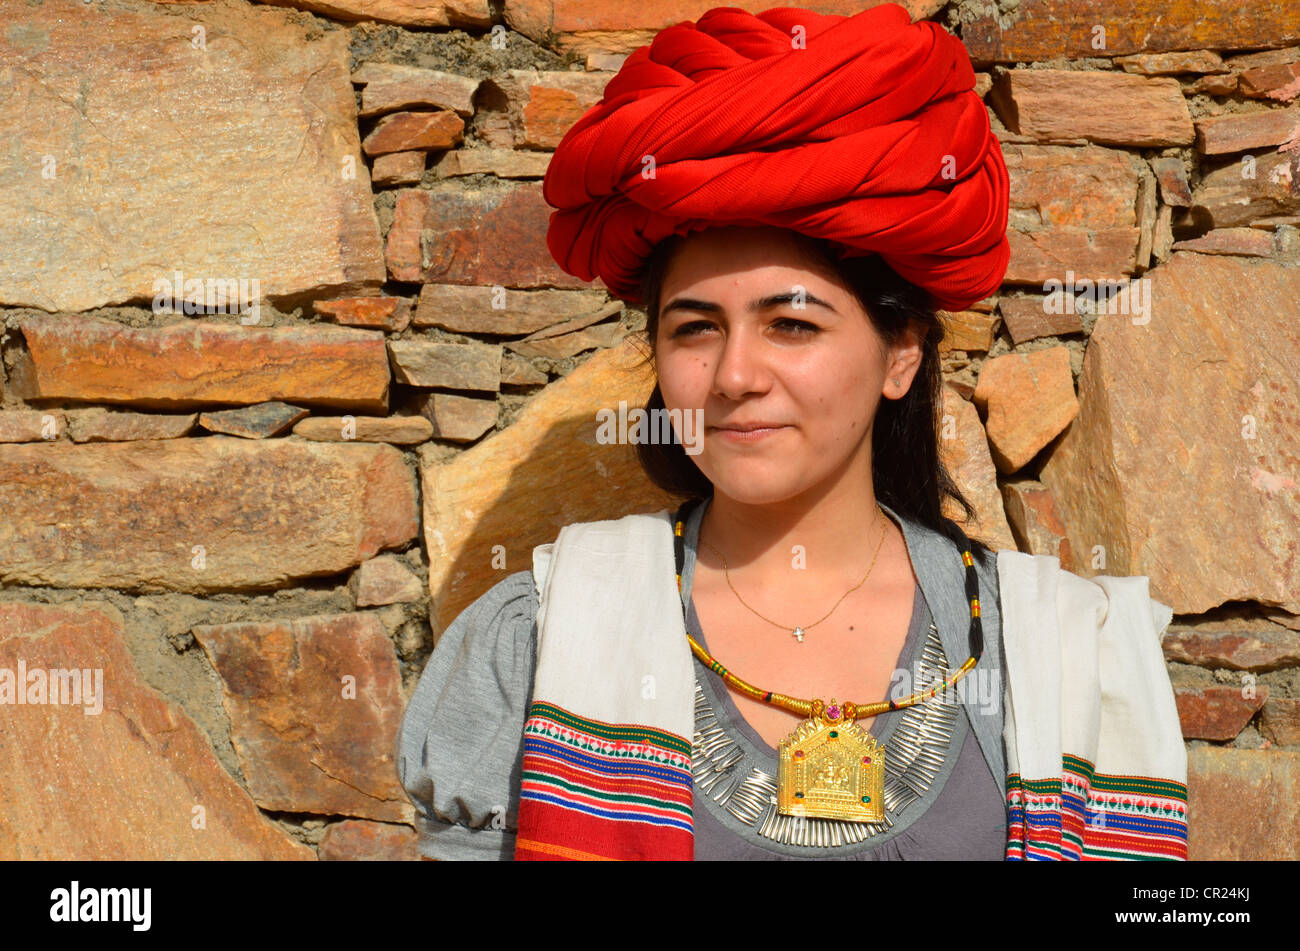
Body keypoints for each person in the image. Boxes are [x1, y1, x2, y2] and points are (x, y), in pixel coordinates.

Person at [396, 3, 1188, 861]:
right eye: (695, 327)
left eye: (793, 325)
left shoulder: (1064, 656)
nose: (736, 375)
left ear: (901, 356)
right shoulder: (537, 642)